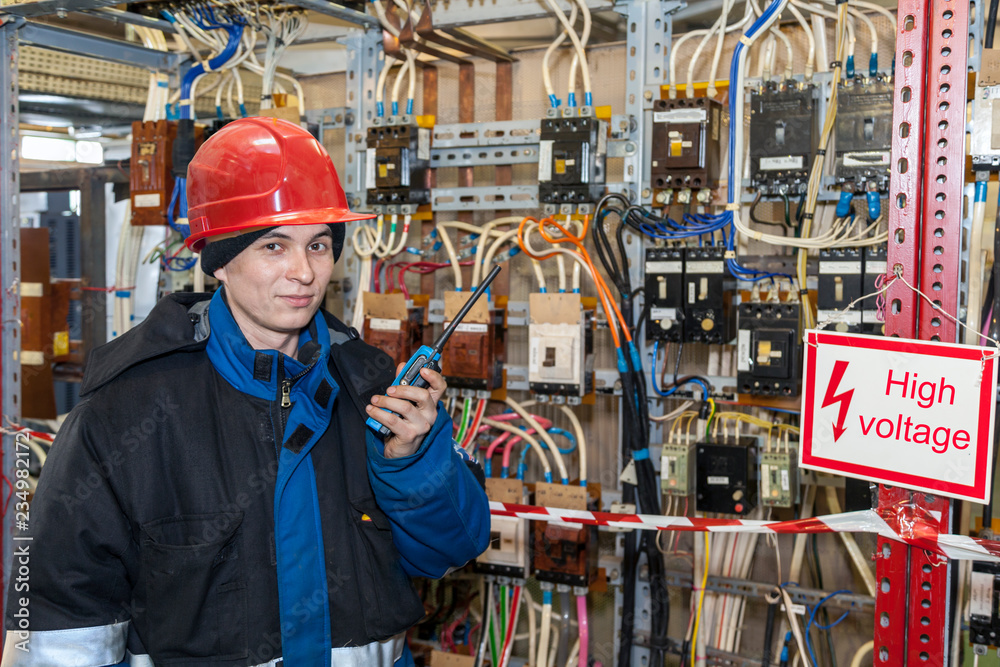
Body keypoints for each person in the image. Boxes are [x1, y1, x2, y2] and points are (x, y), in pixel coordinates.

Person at [2, 117, 490, 667]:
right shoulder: (126, 410)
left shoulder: (374, 390)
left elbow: (452, 549)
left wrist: (411, 463)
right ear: (220, 262)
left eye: (319, 244)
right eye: (274, 246)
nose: (304, 272)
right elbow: (62, 625)